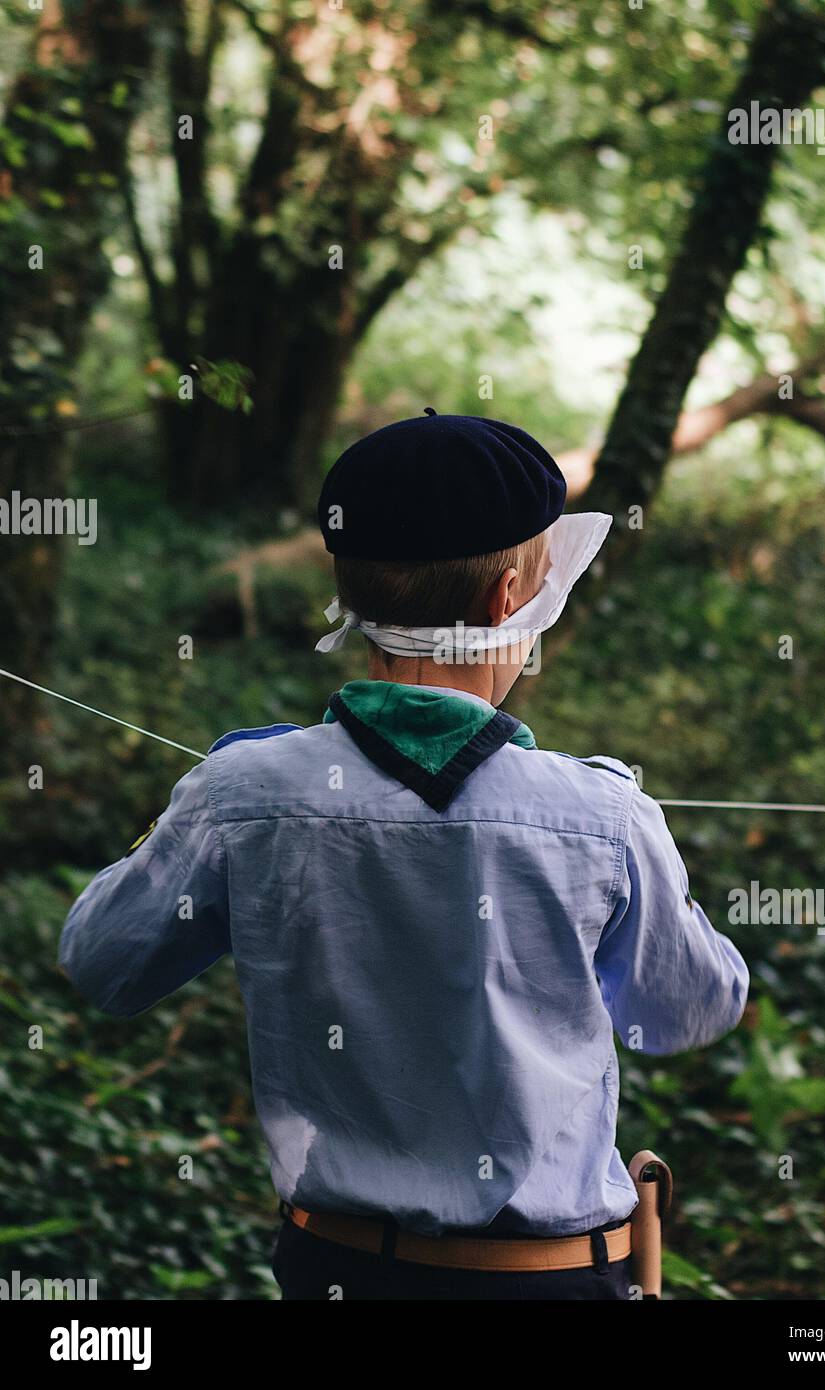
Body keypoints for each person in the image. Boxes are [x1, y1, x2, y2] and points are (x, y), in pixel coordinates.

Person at [59, 410, 748, 1301]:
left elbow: (101, 963)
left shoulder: (241, 792)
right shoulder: (602, 813)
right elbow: (688, 1012)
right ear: (508, 599)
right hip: (553, 1287)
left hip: (335, 1276)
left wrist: (213, 804)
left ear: (353, 592)